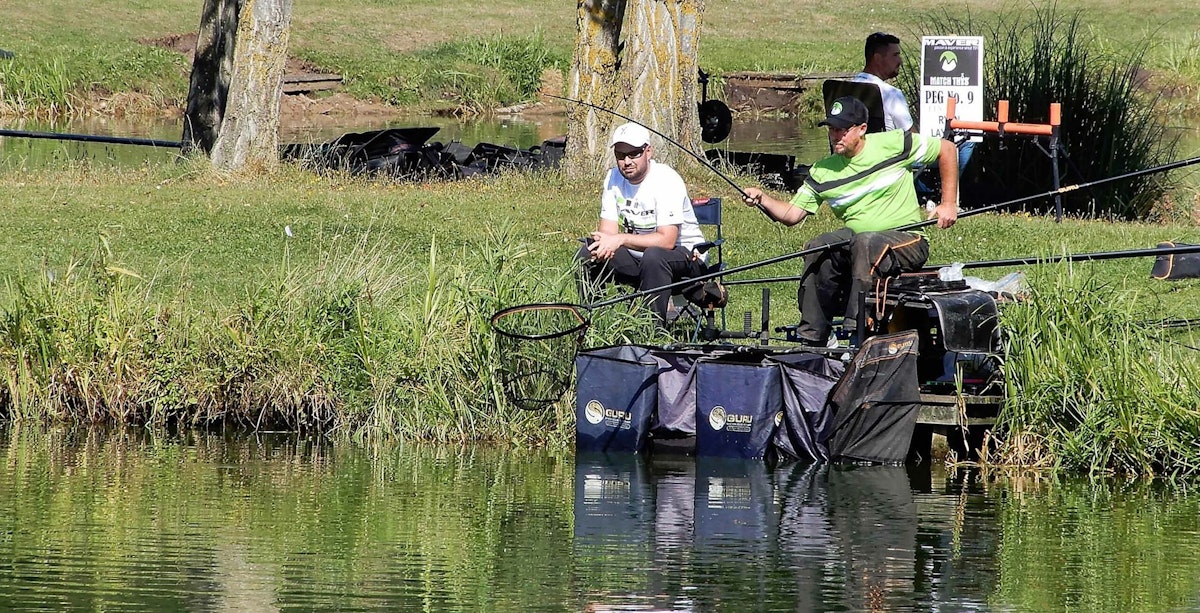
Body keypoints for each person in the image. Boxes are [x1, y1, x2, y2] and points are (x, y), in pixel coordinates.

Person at [740, 96, 958, 347]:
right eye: (832, 129)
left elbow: (947, 149)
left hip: (908, 241)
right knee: (818, 246)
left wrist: (948, 203)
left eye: (843, 130)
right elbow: (791, 214)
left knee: (865, 242)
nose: (836, 136)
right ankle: (812, 338)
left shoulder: (895, 143)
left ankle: (857, 330)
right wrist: (763, 199)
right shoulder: (823, 170)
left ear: (862, 129)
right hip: (859, 246)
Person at [577, 122, 708, 327]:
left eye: (634, 154)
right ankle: (592, 324)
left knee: (654, 256)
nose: (627, 161)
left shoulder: (666, 179)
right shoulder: (612, 178)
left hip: (686, 258)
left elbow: (666, 241)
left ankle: (651, 333)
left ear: (648, 152)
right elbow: (608, 232)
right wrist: (603, 244)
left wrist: (620, 239)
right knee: (588, 251)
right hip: (639, 258)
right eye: (621, 155)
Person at [850, 32, 914, 133]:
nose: (900, 61)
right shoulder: (891, 94)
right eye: (895, 55)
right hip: (885, 148)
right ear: (877, 58)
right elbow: (913, 139)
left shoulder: (847, 88)